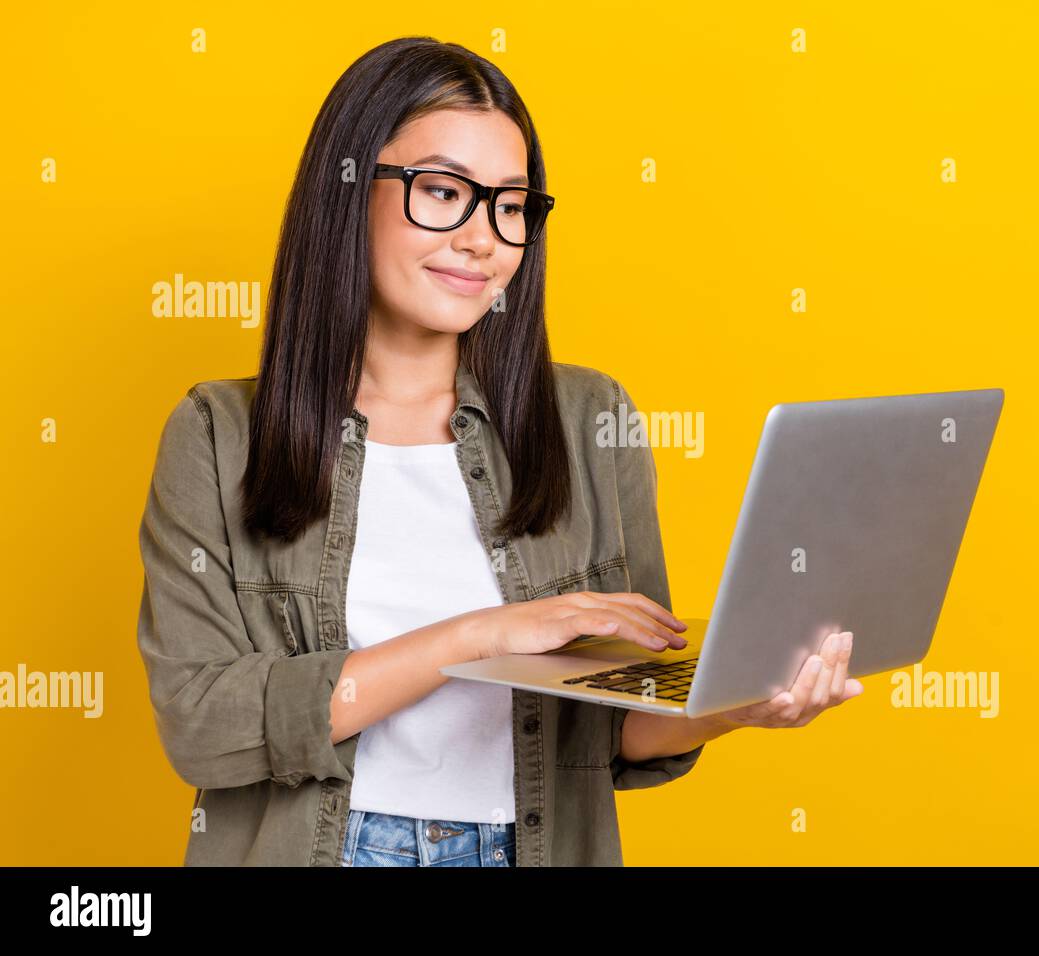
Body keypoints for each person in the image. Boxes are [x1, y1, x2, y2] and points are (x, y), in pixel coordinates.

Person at [136, 35, 863, 868]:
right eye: (444, 191)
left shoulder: (591, 418)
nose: (485, 238)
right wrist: (476, 638)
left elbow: (609, 729)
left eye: (511, 206)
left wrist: (737, 704)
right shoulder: (218, 434)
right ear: (345, 194)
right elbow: (203, 726)